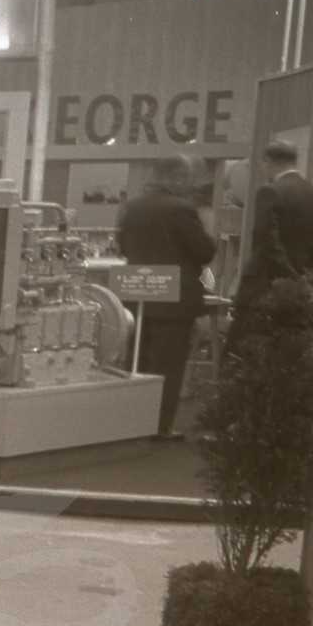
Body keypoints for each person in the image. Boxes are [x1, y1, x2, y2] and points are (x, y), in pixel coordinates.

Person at [115, 154, 215, 439]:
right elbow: (204, 252)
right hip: (173, 302)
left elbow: (122, 247)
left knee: (137, 362)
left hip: (136, 297)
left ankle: (134, 424)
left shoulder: (132, 208)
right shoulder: (182, 209)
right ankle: (161, 428)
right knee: (167, 368)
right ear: (177, 177)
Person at [238, 138, 313, 313]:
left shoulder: (269, 192)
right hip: (302, 293)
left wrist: (290, 278)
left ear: (267, 161)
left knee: (254, 338)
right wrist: (307, 281)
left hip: (266, 287)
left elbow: (267, 241)